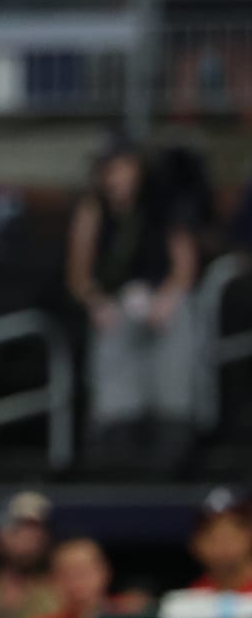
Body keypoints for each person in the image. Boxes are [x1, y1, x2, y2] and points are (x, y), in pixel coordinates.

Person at [66, 138, 199, 476]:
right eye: (106, 170)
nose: (113, 178)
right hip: (117, 306)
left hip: (162, 302)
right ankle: (115, 456)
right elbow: (78, 275)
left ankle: (173, 454)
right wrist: (98, 303)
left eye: (120, 168)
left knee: (174, 357)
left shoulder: (163, 201)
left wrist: (165, 300)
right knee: (113, 371)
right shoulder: (93, 207)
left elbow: (184, 267)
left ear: (136, 168)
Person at [38, 537, 138, 618]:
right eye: (66, 573)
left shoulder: (134, 610)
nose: (77, 580)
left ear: (105, 572)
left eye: (83, 571)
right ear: (53, 579)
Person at [187, 487, 252, 593]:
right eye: (213, 538)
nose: (223, 545)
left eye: (231, 536)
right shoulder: (193, 597)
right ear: (195, 544)